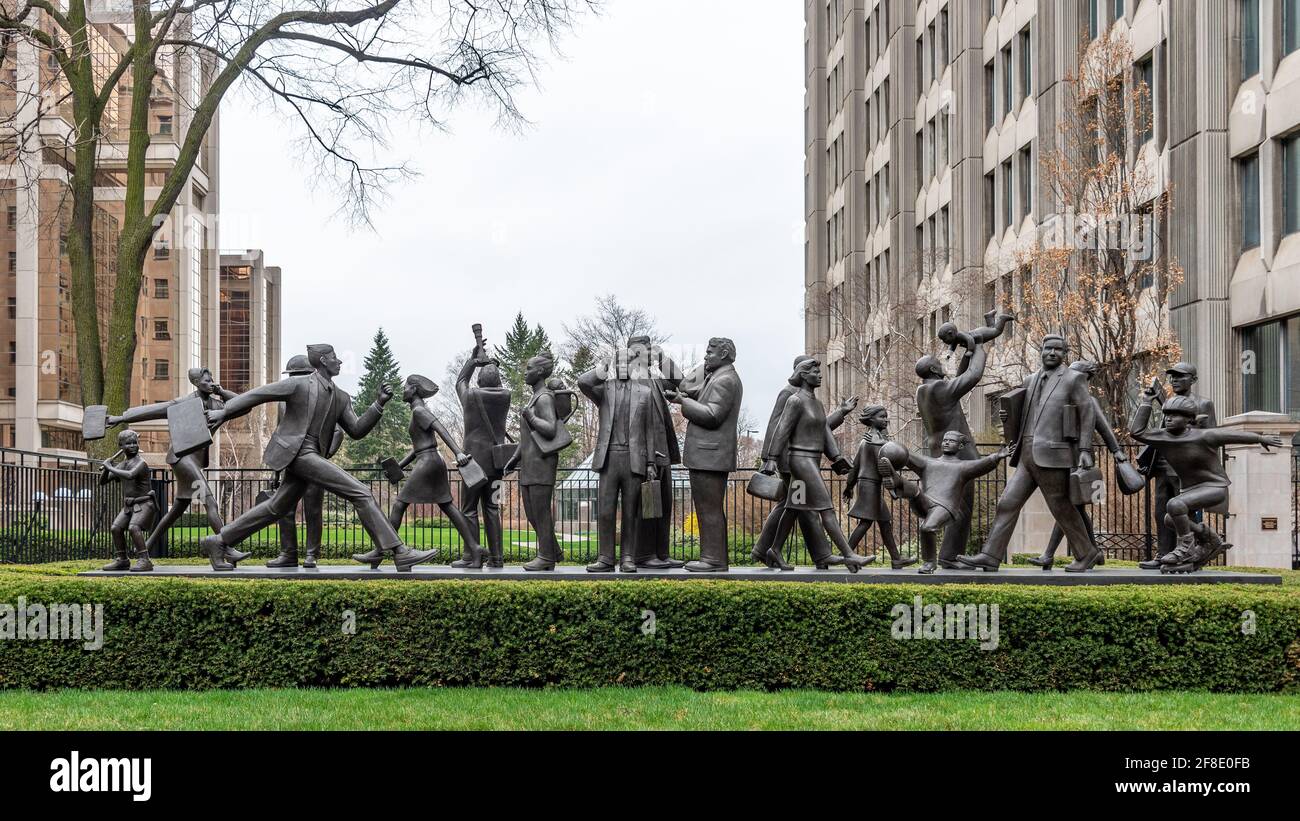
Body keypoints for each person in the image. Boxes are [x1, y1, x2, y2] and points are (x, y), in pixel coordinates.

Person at [199, 343, 435, 571]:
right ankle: (399, 553)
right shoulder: (299, 384)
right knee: (361, 492)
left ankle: (219, 541)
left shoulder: (340, 397)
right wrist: (225, 411)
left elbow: (356, 430)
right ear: (323, 360)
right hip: (300, 453)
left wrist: (378, 404)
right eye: (335, 357)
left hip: (311, 454)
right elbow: (258, 395)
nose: (340, 361)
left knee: (275, 507)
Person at [958, 334, 1102, 572]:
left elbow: (1087, 414)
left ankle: (1087, 553)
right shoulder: (1030, 379)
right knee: (1007, 503)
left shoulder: (1074, 379)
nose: (1052, 353)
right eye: (1048, 349)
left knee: (1061, 506)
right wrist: (1008, 419)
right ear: (1042, 351)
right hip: (1026, 454)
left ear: (1065, 354)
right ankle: (990, 556)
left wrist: (1085, 449)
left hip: (1053, 454)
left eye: (1058, 349)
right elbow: (1023, 412)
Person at [107, 366, 248, 566]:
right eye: (207, 381)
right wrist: (121, 418)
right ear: (196, 383)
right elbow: (151, 411)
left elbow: (244, 405)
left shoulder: (217, 406)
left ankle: (147, 544)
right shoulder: (184, 404)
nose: (210, 383)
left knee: (177, 510)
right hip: (182, 459)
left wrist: (220, 390)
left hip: (194, 461)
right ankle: (227, 548)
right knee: (210, 502)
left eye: (211, 380)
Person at [1129, 394, 1279, 573]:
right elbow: (1137, 432)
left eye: (1175, 415)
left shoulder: (1205, 436)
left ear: (1188, 419)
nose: (1169, 418)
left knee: (1175, 504)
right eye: (1167, 414)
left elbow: (1232, 435)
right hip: (1190, 490)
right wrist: (1146, 402)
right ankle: (1210, 539)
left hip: (1214, 488)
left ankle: (1186, 549)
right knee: (1170, 519)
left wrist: (1260, 439)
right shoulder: (1162, 437)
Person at [760, 357, 870, 572]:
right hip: (800, 463)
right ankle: (849, 554)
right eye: (815, 372)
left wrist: (836, 459)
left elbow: (824, 432)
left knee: (793, 507)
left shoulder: (817, 404)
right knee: (826, 508)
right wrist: (771, 459)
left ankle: (774, 549)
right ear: (803, 374)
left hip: (812, 460)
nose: (820, 375)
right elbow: (780, 430)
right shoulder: (794, 400)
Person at [578, 339, 676, 573]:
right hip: (609, 458)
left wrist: (651, 462)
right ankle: (605, 558)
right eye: (619, 362)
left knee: (632, 512)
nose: (623, 366)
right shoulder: (605, 390)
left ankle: (628, 558)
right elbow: (583, 382)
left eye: (627, 362)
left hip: (634, 459)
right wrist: (604, 365)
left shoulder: (644, 390)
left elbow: (649, 430)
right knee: (605, 509)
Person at [1029, 360, 1126, 570]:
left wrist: (1117, 452)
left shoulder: (1087, 400)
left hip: (1078, 461)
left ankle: (1052, 554)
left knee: (1068, 507)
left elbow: (1104, 428)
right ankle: (1093, 553)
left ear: (1083, 378)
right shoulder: (1056, 398)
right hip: (1059, 460)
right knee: (1074, 509)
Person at [380, 374, 484, 568]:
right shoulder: (416, 411)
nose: (403, 390)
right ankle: (475, 549)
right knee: (448, 506)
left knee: (399, 504)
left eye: (406, 387)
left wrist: (459, 452)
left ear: (414, 389)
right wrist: (399, 466)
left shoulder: (419, 410)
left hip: (428, 463)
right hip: (429, 460)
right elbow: (418, 446)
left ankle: (381, 550)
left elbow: (441, 428)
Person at [877, 433, 1010, 574]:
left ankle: (929, 563)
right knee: (915, 491)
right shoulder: (927, 462)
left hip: (945, 508)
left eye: (951, 441)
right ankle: (896, 480)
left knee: (927, 528)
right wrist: (888, 446)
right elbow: (905, 454)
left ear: (960, 446)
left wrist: (996, 456)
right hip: (925, 502)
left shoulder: (963, 467)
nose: (946, 443)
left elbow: (981, 465)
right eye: (945, 440)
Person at [664, 337, 743, 572]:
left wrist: (681, 402)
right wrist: (663, 362)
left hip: (711, 457)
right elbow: (688, 386)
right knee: (708, 508)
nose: (706, 356)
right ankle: (712, 557)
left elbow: (712, 415)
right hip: (708, 456)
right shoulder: (716, 376)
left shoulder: (726, 379)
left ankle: (714, 560)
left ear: (725, 354)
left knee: (709, 509)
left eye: (710, 353)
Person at [914, 328, 990, 568]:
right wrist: (977, 345)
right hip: (956, 454)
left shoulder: (925, 390)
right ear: (936, 370)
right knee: (961, 507)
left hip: (936, 453)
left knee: (947, 504)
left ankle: (946, 556)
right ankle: (948, 557)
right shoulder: (939, 389)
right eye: (940, 364)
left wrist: (967, 353)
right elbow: (974, 376)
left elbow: (958, 382)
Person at [1137, 361, 1219, 568]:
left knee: (1182, 513)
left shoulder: (1203, 404)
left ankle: (1185, 553)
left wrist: (1196, 429)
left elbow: (1213, 440)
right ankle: (1162, 553)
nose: (1175, 380)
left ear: (1193, 380)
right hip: (1163, 466)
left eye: (1181, 376)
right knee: (1160, 511)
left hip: (1186, 470)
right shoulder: (1169, 402)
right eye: (1172, 376)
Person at [269, 354, 342, 568]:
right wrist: (276, 470)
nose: (294, 380)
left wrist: (321, 457)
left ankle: (312, 554)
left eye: (297, 376)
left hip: (314, 464)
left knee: (313, 510)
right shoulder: (285, 404)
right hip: (292, 465)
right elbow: (280, 436)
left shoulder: (323, 398)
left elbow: (337, 433)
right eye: (292, 376)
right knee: (285, 509)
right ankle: (288, 553)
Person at [503, 352, 571, 571]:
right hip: (529, 464)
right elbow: (527, 438)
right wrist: (514, 459)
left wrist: (530, 417)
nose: (526, 373)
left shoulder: (544, 398)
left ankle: (546, 557)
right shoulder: (535, 398)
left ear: (540, 372)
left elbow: (550, 429)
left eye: (529, 369)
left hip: (542, 464)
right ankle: (553, 551)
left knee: (540, 513)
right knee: (532, 513)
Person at [455, 331, 512, 567]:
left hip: (472, 463)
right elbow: (495, 382)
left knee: (468, 509)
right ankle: (497, 558)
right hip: (496, 464)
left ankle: (472, 556)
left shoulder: (470, 396)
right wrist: (488, 363)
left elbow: (460, 381)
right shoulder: (506, 396)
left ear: (479, 381)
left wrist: (473, 361)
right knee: (492, 508)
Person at [843, 405, 916, 569]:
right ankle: (846, 556)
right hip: (869, 484)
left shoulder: (868, 439)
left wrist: (849, 486)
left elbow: (855, 466)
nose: (886, 420)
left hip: (868, 484)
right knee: (866, 522)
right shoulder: (876, 441)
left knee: (884, 522)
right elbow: (883, 466)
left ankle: (896, 559)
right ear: (871, 419)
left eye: (886, 416)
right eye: (882, 417)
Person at [99, 429, 158, 572]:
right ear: (121, 446)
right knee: (116, 528)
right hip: (129, 505)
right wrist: (107, 469)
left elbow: (130, 475)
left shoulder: (141, 463)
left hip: (144, 503)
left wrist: (110, 467)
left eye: (135, 443)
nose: (132, 446)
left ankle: (145, 560)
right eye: (128, 443)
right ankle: (122, 560)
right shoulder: (123, 464)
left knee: (133, 527)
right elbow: (103, 481)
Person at [936, 309, 1015, 374]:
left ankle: (1002, 319)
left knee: (996, 331)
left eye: (944, 339)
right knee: (991, 327)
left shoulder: (960, 335)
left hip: (981, 334)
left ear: (951, 334)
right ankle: (989, 317)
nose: (944, 341)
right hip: (979, 333)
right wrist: (949, 354)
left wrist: (970, 350)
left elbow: (969, 339)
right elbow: (952, 346)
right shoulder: (955, 339)